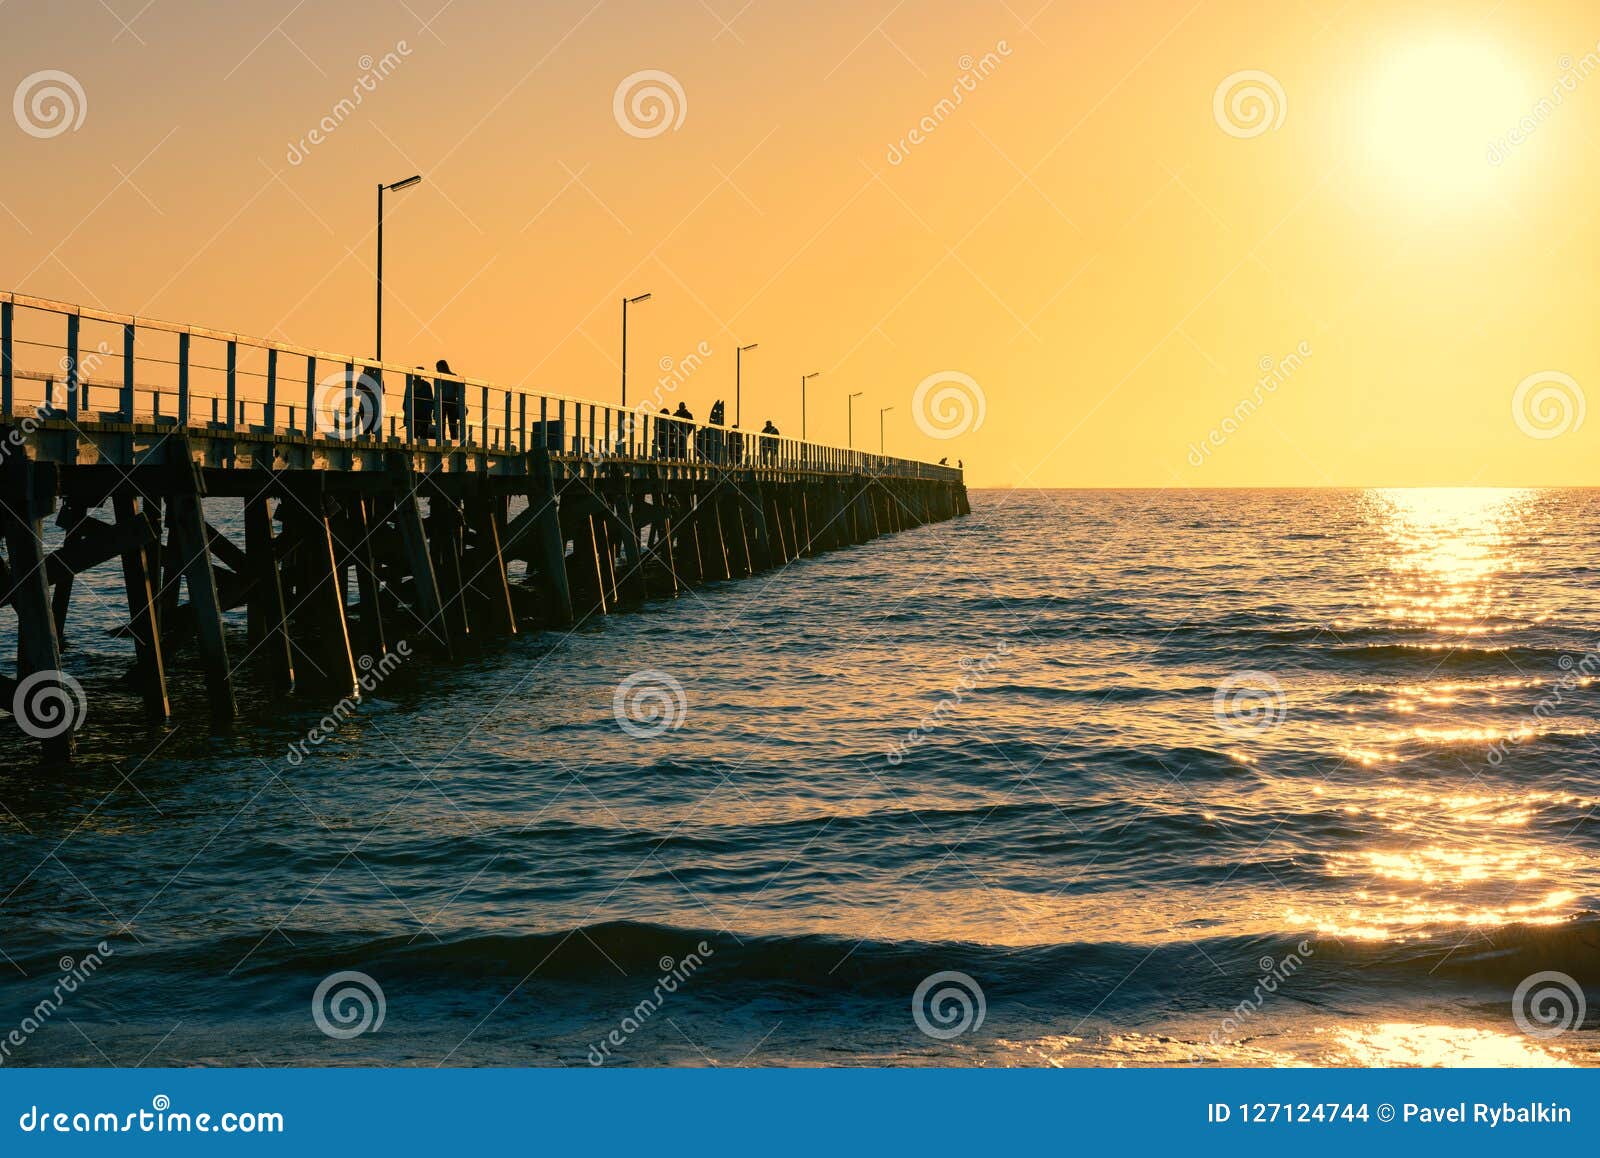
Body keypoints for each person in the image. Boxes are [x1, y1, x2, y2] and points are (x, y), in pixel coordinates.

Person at [436, 358, 466, 441]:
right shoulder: (440, 377)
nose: (437, 370)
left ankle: (453, 438)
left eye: (438, 368)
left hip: (450, 401)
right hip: (442, 401)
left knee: (451, 422)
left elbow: (459, 390)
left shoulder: (452, 376)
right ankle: (443, 438)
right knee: (442, 422)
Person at [404, 366, 435, 442]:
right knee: (413, 433)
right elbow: (406, 400)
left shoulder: (426, 385)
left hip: (423, 413)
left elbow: (430, 400)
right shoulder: (410, 384)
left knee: (423, 433)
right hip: (414, 412)